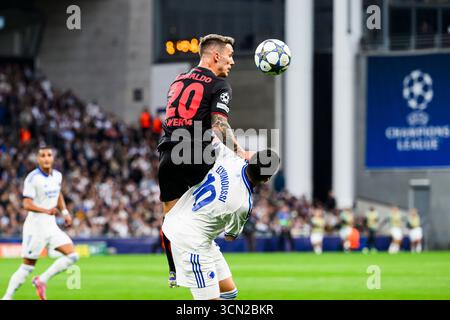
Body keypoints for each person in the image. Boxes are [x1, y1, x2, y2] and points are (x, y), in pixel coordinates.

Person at [157, 34, 253, 287]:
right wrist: (240, 152)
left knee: (170, 218)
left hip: (168, 156)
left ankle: (174, 271)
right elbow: (219, 124)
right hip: (197, 155)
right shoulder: (219, 84)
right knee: (210, 205)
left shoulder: (178, 80)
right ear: (216, 56)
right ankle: (211, 259)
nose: (232, 61)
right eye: (230, 55)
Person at [162, 143, 280, 300]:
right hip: (191, 241)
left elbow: (214, 138)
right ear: (266, 180)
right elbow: (230, 236)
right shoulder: (243, 204)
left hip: (186, 223)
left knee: (229, 293)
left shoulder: (231, 158)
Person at [2, 146, 78, 300]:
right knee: (27, 267)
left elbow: (58, 193)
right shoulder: (32, 178)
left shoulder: (57, 176)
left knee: (73, 256)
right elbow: (26, 204)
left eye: (49, 155)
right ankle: (7, 297)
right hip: (35, 228)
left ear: (53, 158)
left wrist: (65, 212)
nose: (46, 158)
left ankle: (42, 280)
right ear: (38, 159)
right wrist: (46, 210)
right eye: (42, 155)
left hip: (51, 226)